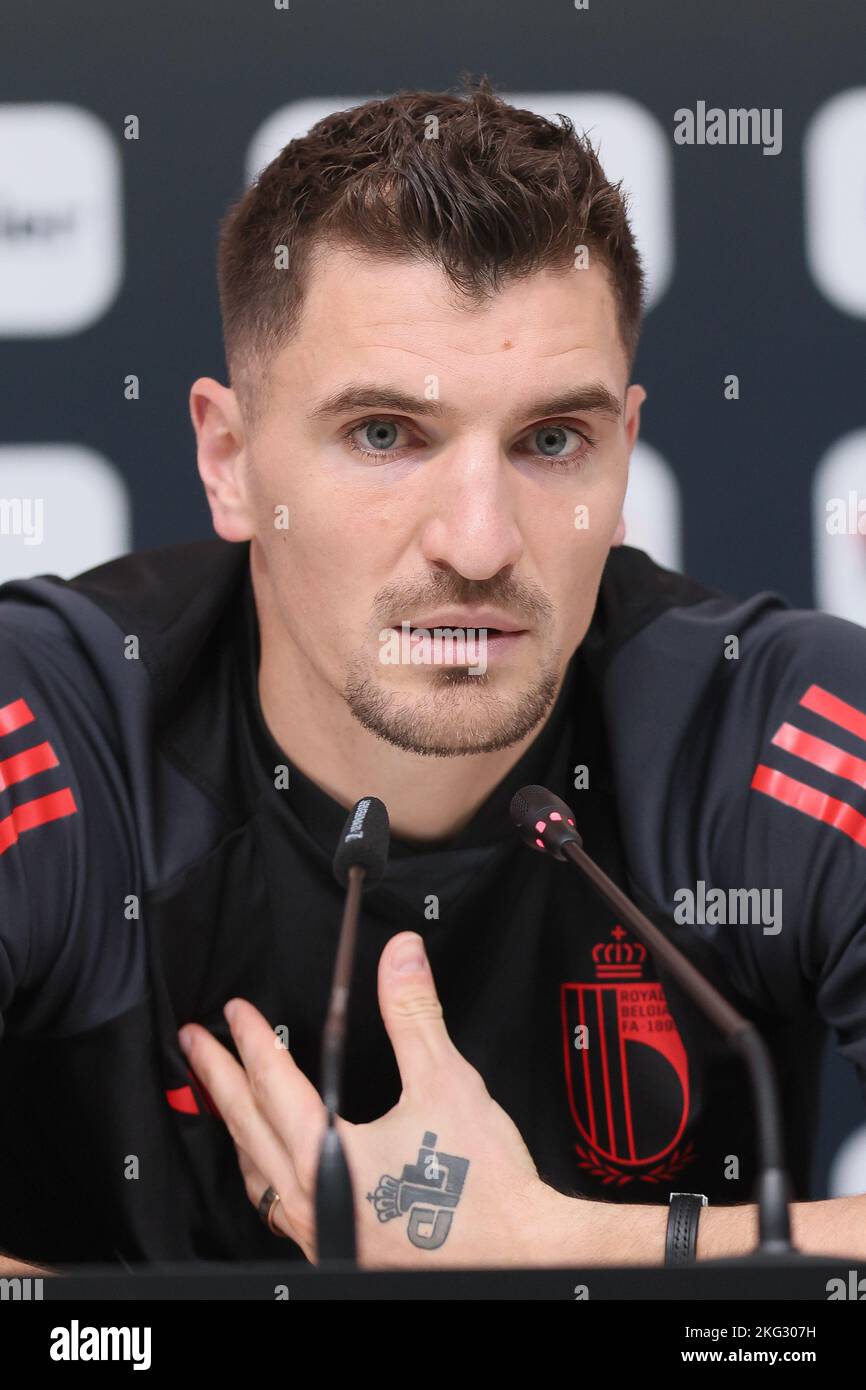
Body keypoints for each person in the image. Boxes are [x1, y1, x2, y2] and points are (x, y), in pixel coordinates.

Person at [1, 75, 865, 1275]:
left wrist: (548, 1248)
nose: (476, 542)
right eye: (383, 437)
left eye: (549, 441)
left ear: (622, 450)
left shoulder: (781, 723)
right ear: (231, 458)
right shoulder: (47, 721)